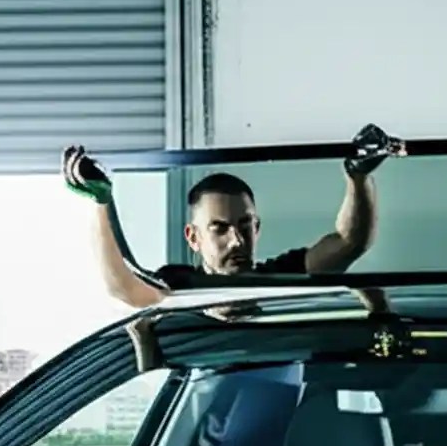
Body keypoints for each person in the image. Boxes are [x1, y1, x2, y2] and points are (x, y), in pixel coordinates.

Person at [62, 123, 404, 309]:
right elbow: (123, 287)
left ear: (257, 226)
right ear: (193, 238)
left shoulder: (282, 276)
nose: (237, 240)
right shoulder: (178, 285)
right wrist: (101, 202)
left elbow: (350, 242)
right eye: (219, 229)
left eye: (244, 226)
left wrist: (357, 175)